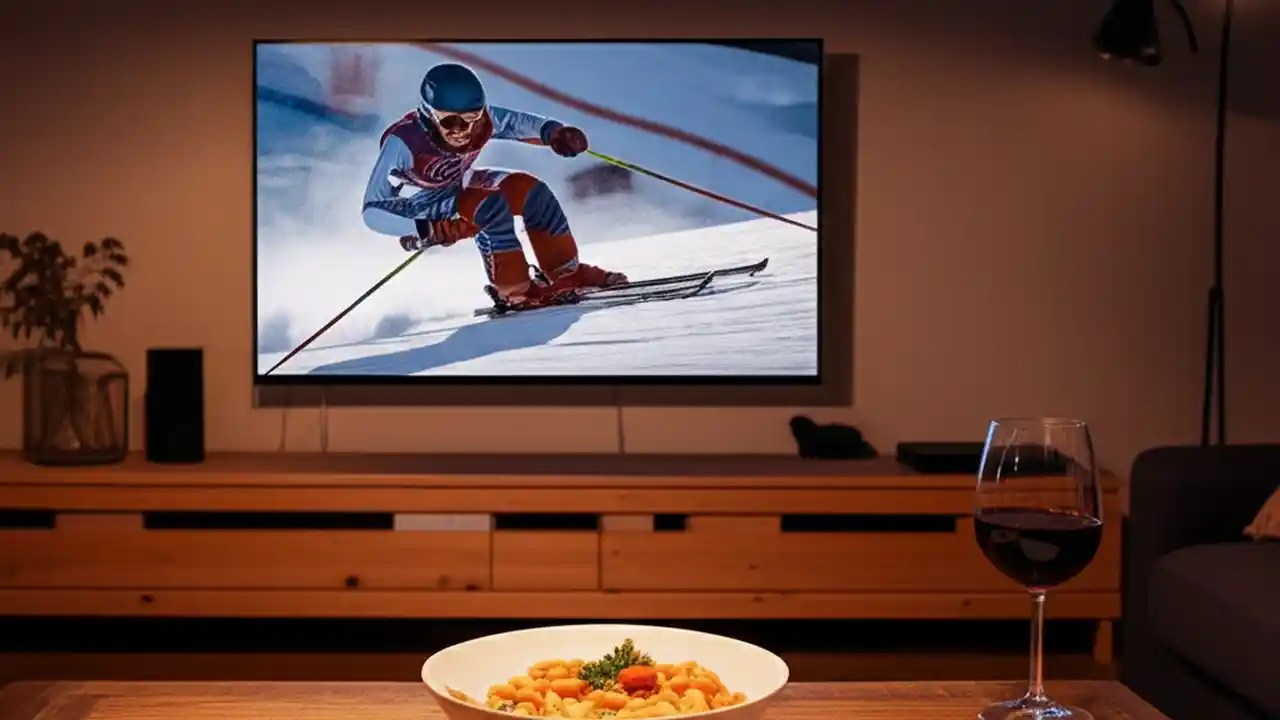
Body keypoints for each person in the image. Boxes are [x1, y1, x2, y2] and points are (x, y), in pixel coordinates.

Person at [361, 62, 628, 309]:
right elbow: (373, 212)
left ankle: (566, 273)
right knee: (489, 207)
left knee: (531, 191)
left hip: (459, 184)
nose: (461, 129)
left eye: (471, 117)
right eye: (449, 120)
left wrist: (555, 133)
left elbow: (515, 124)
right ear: (428, 114)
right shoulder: (403, 144)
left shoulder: (482, 123)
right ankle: (513, 290)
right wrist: (423, 228)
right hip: (423, 205)